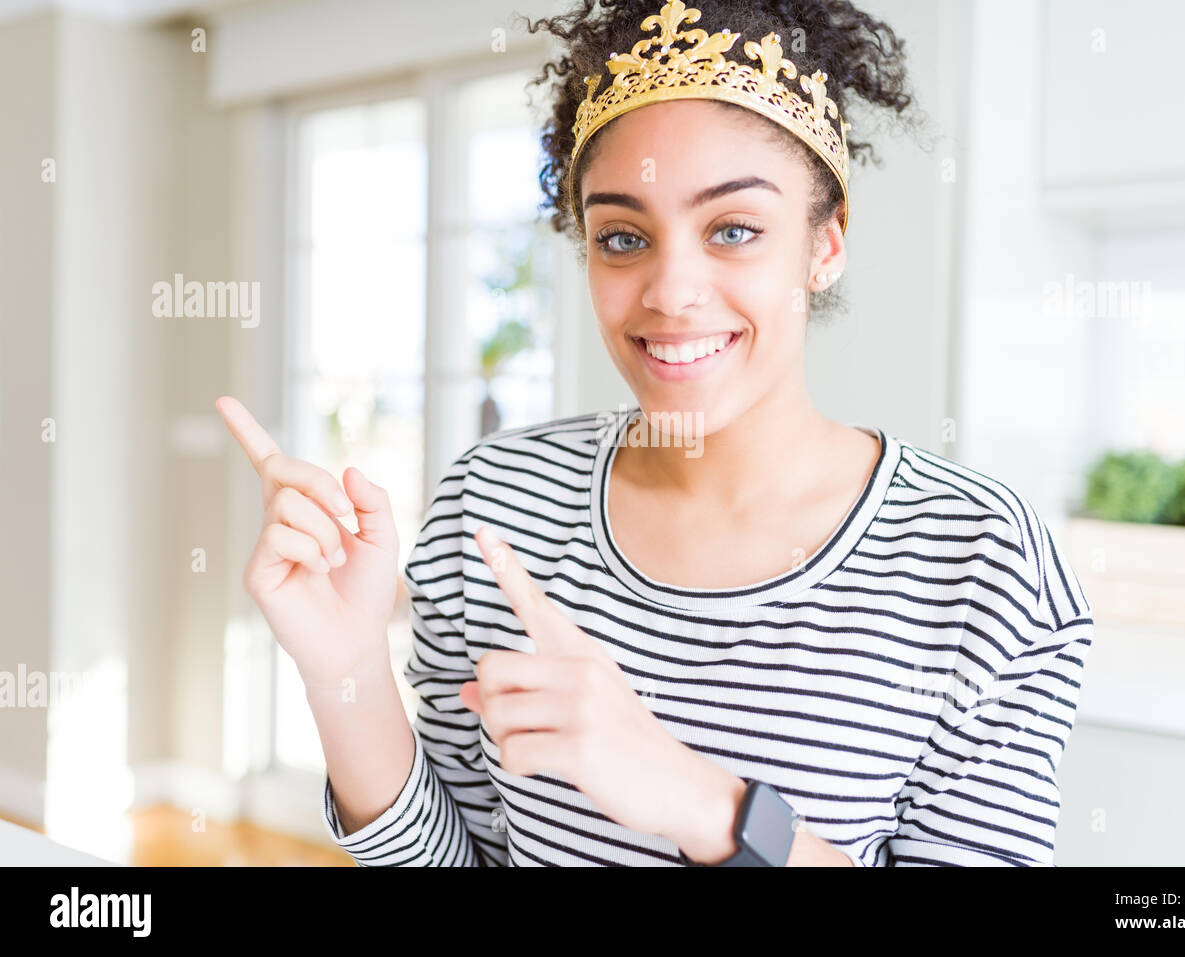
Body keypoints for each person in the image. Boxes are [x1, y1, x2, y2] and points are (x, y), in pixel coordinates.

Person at [218, 0, 1094, 866]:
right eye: (625, 236)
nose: (671, 291)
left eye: (735, 229)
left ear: (825, 244)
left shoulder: (985, 564)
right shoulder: (492, 505)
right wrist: (350, 672)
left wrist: (696, 800)